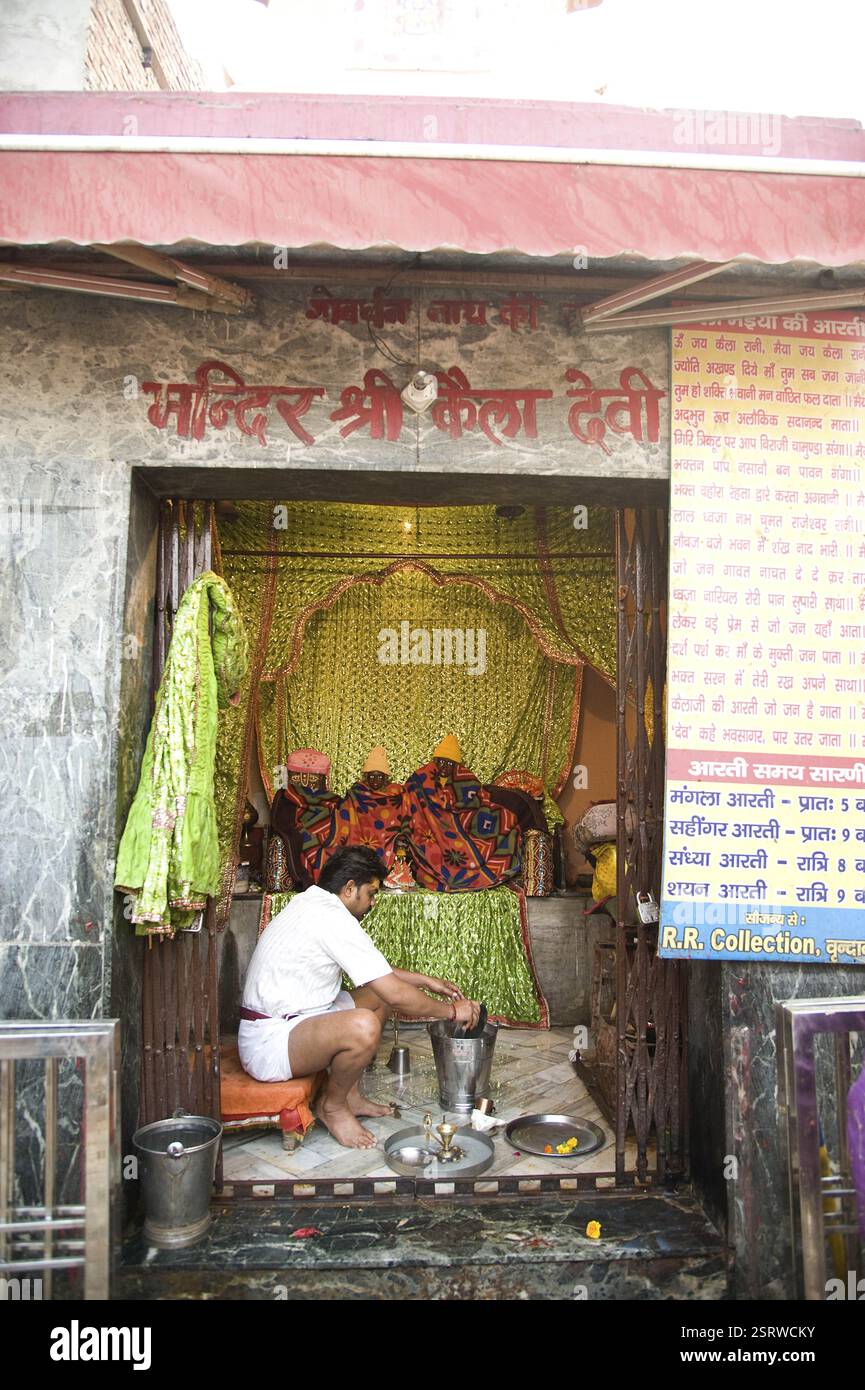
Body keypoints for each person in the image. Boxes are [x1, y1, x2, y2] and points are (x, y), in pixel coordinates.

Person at [238, 845, 481, 1149]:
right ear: (350, 888)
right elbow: (393, 990)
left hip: (299, 1018)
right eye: (371, 893)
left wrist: (426, 981)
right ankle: (333, 1107)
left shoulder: (315, 904)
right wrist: (451, 1011)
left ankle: (349, 1096)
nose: (372, 903)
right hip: (270, 1042)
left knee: (376, 999)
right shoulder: (331, 917)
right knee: (363, 1026)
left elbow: (377, 976)